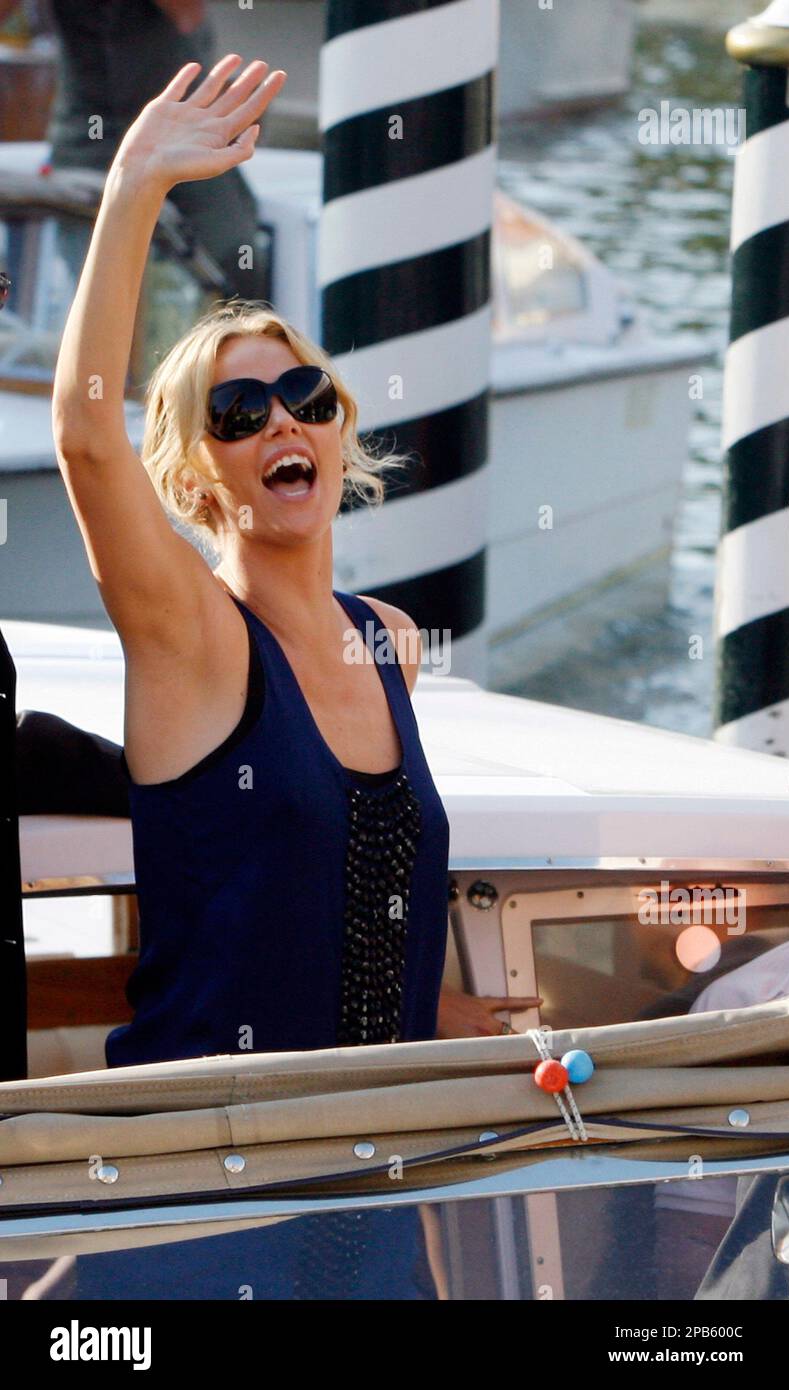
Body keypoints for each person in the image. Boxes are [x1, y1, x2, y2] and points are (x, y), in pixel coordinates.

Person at [50, 52, 535, 1300]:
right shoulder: (195, 645)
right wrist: (138, 183)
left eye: (303, 395)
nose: (282, 420)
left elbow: (367, 906)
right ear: (201, 474)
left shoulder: (384, 642)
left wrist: (460, 1036)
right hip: (202, 1203)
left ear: (335, 429)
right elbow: (86, 431)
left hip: (371, 1197)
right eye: (240, 409)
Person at [0, 0, 266, 300]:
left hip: (179, 129)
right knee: (99, 282)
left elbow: (187, 14)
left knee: (233, 259)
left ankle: (232, 340)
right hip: (88, 138)